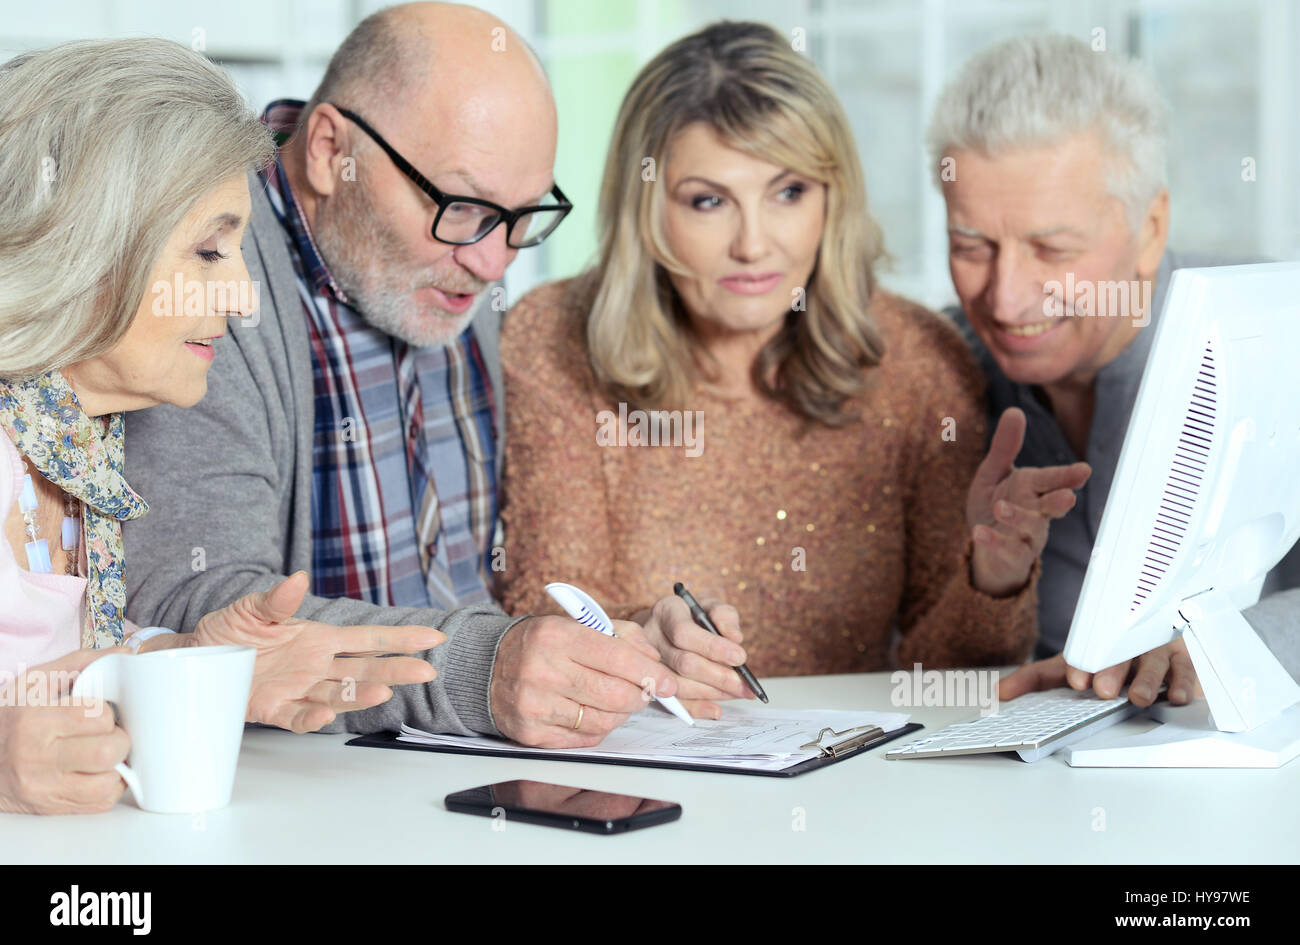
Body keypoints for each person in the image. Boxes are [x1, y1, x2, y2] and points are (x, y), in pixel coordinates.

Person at [122, 2, 694, 748]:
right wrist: (477, 666)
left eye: (523, 217)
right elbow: (193, 607)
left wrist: (608, 641)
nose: (494, 264)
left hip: (470, 759)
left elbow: (470, 593)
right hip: (307, 784)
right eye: (460, 207)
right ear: (329, 149)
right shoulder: (211, 269)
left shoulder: (454, 264)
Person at [495, 20, 1093, 716]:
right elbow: (545, 611)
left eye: (788, 193)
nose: (755, 244)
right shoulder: (553, 338)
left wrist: (993, 577)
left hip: (848, 778)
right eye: (708, 201)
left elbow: (944, 685)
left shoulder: (916, 358)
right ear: (646, 207)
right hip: (628, 765)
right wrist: (651, 633)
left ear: (831, 198)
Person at [0, 38, 446, 814]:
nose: (243, 301)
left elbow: (42, 668)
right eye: (210, 249)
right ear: (84, 242)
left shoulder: (79, 447)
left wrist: (186, 657)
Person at [925, 34, 1300, 704]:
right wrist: (992, 579)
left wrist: (1227, 645)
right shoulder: (942, 372)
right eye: (970, 245)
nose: (1006, 298)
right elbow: (926, 672)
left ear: (1150, 229)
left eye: (1052, 246)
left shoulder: (1271, 334)